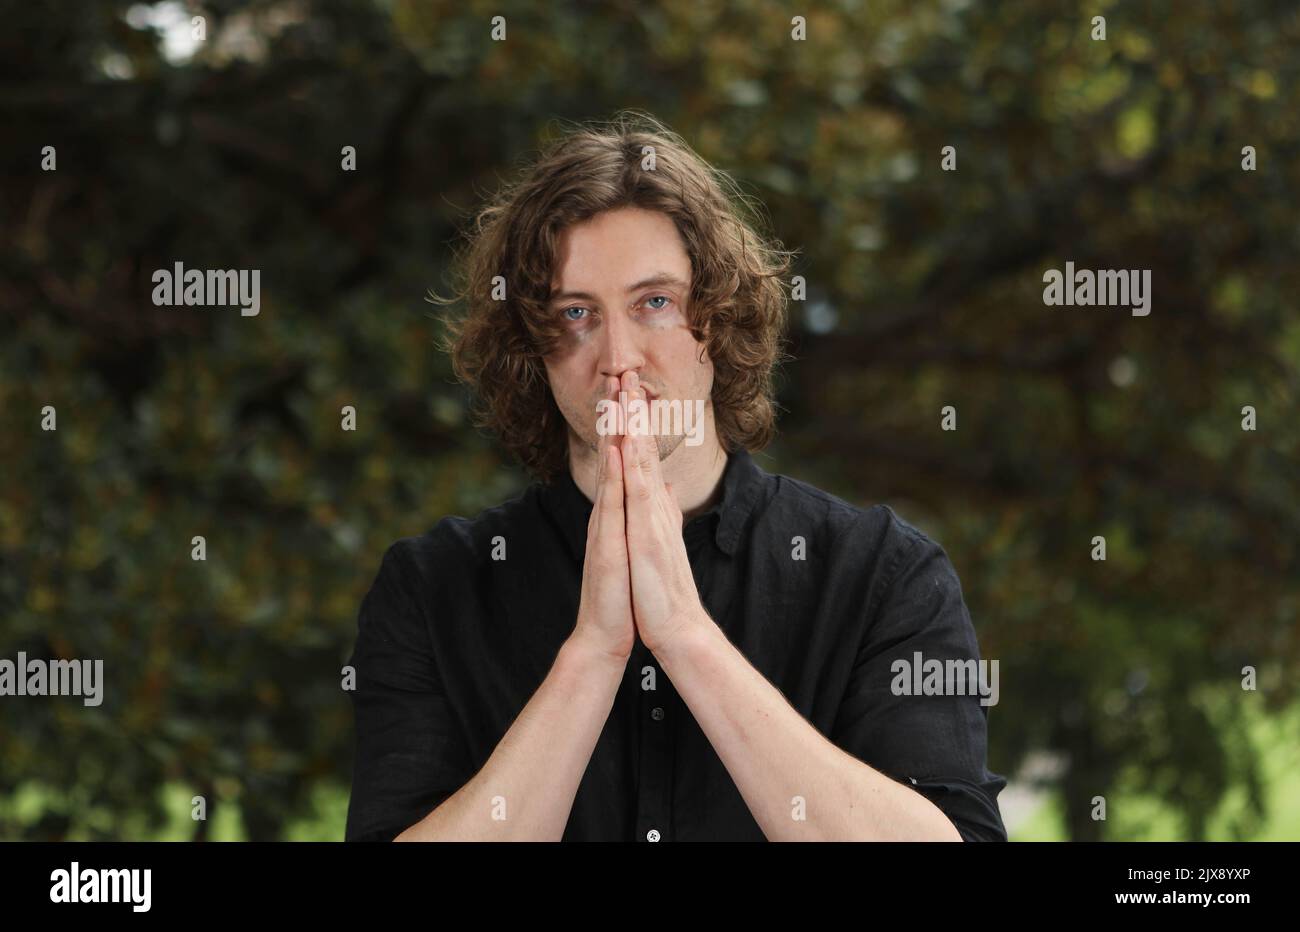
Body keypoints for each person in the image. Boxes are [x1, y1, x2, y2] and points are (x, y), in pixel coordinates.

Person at [344, 112, 1007, 842]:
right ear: (529, 346)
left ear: (718, 319)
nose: (617, 356)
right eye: (574, 314)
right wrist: (595, 652)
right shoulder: (434, 589)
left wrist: (687, 636)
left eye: (654, 303)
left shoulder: (883, 573)